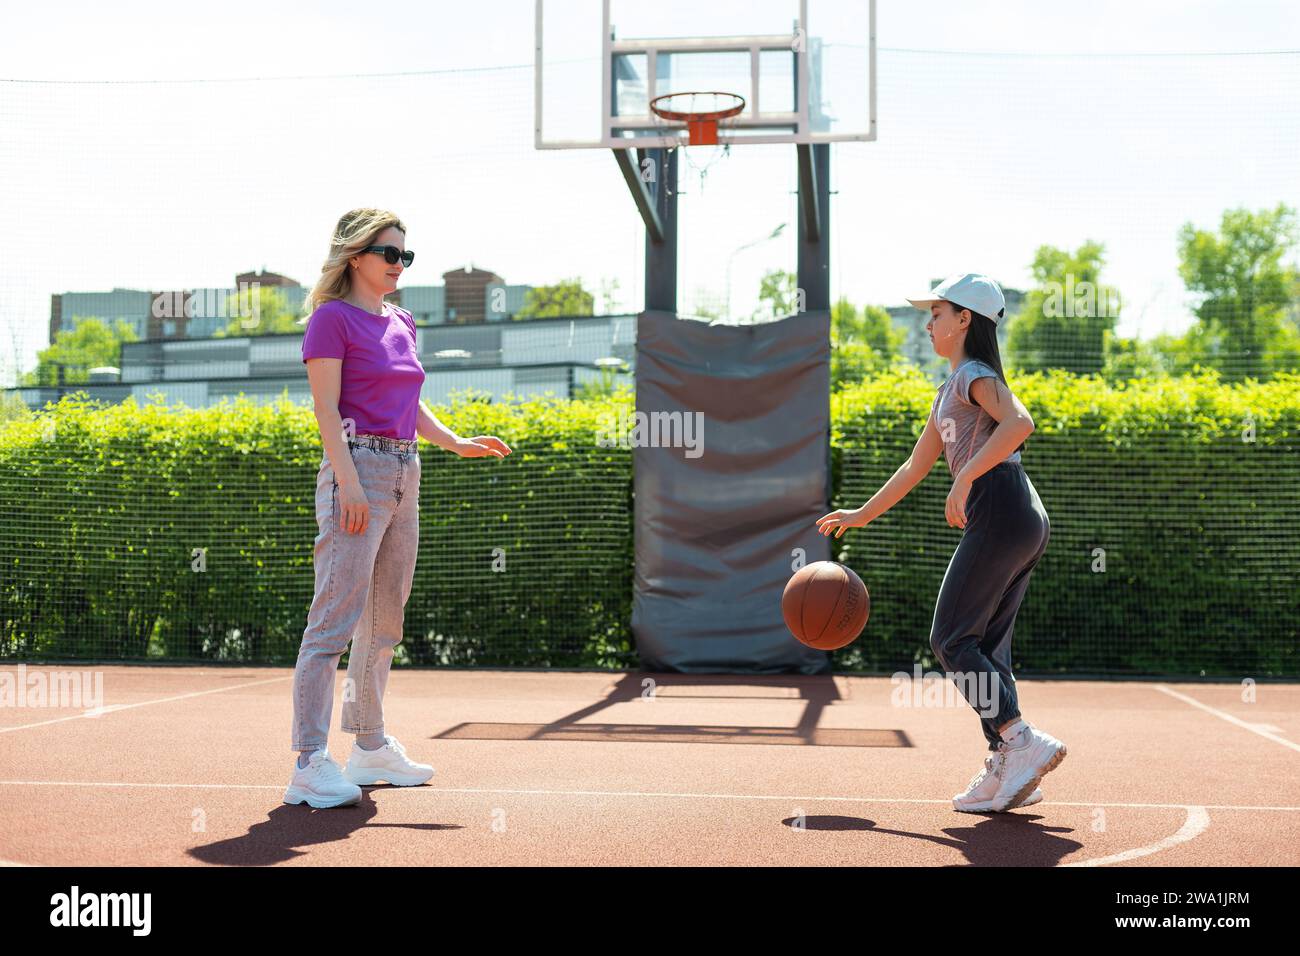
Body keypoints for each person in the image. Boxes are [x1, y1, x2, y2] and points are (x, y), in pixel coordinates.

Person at [284, 207, 512, 809]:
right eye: (390, 254)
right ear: (355, 256)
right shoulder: (331, 320)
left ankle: (369, 745)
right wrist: (349, 482)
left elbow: (409, 403)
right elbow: (326, 411)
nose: (399, 265)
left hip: (405, 472)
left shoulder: (403, 321)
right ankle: (309, 762)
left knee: (384, 623)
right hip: (357, 469)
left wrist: (456, 441)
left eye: (405, 256)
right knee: (333, 622)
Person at [816, 273, 1066, 813]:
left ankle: (1020, 741)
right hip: (1019, 514)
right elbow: (914, 465)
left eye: (936, 314)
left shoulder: (975, 375)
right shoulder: (948, 391)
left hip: (1002, 505)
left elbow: (1019, 423)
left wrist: (967, 476)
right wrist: (861, 514)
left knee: (951, 640)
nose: (927, 322)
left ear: (964, 320)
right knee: (983, 648)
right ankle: (1009, 764)